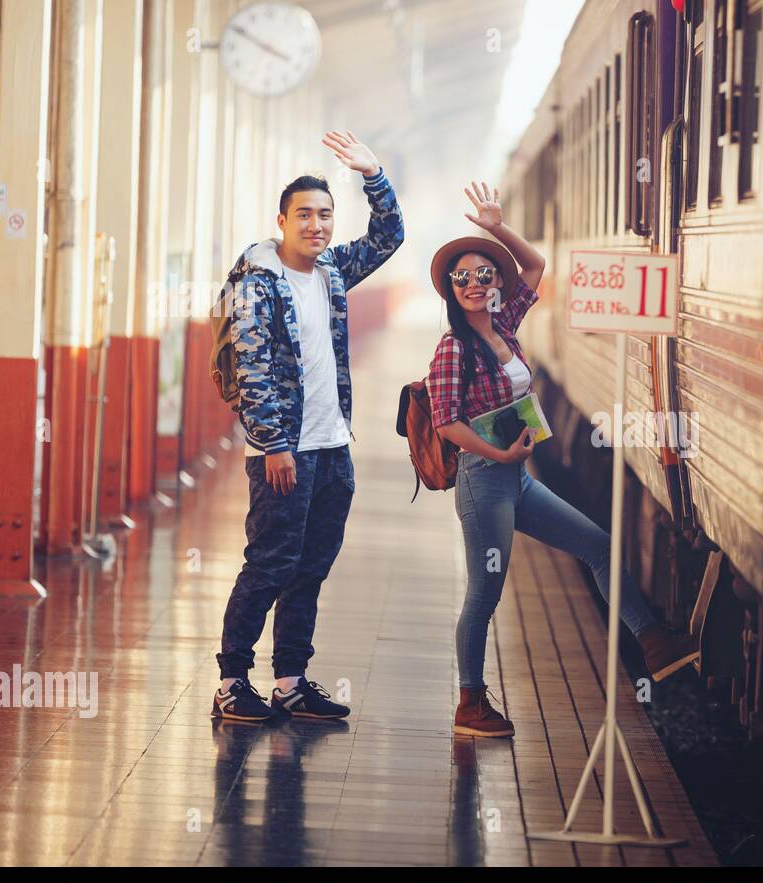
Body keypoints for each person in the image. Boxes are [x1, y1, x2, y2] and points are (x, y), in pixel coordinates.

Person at [427, 181, 700, 738]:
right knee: (485, 589)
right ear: (451, 290)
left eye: (485, 275)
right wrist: (497, 450)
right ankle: (469, 705)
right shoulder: (452, 348)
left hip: (517, 480)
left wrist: (495, 227)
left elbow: (535, 265)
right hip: (484, 482)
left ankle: (651, 641)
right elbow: (445, 422)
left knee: (597, 545)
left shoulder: (504, 327)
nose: (475, 284)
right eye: (463, 278)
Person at [212, 131, 404, 721]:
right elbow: (253, 367)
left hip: (332, 447)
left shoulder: (331, 273)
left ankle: (291, 679)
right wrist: (274, 444)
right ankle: (231, 682)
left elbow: (388, 236)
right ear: (282, 220)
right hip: (284, 450)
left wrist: (373, 173)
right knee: (270, 561)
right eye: (305, 215)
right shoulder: (257, 280)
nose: (316, 225)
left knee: (311, 564)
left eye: (325, 214)